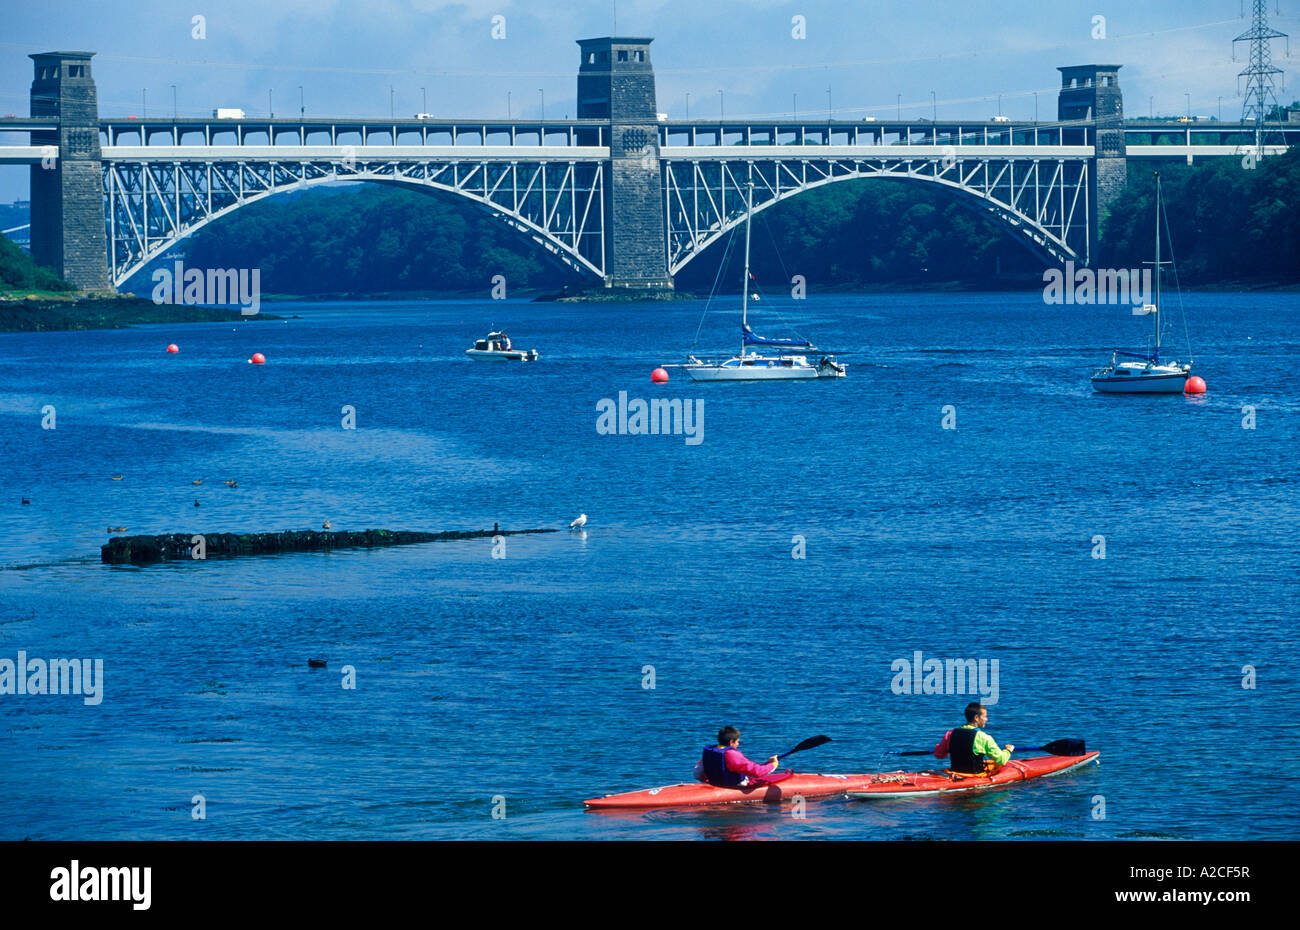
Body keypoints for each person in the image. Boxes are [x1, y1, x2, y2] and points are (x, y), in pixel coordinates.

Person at [933, 703, 1014, 775]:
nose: (987, 719)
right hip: (974, 777)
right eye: (985, 716)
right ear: (976, 718)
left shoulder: (950, 733)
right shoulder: (984, 737)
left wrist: (947, 748)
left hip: (954, 773)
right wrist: (1008, 750)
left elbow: (938, 754)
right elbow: (1002, 760)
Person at [695, 726, 781, 787]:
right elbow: (757, 772)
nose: (738, 744)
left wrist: (709, 782)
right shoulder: (731, 754)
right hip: (735, 786)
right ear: (731, 742)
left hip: (715, 784)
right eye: (737, 741)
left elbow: (697, 774)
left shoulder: (710, 751)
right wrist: (773, 764)